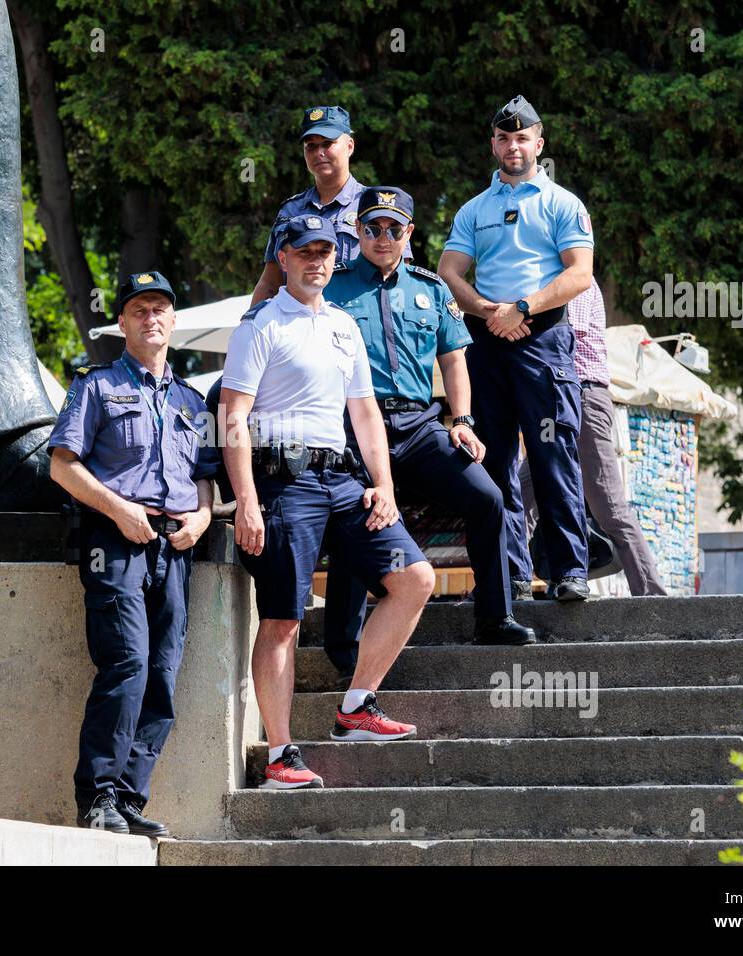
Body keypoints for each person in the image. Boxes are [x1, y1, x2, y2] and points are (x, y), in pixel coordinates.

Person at [221, 215, 436, 790]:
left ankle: (357, 705)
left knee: (415, 577)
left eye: (324, 250)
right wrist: (245, 500)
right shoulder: (261, 324)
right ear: (284, 257)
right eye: (304, 250)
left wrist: (384, 485)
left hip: (343, 481)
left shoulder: (343, 325)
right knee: (284, 620)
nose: (316, 259)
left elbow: (364, 412)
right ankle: (281, 755)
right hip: (283, 483)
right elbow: (233, 416)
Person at [321, 186, 536, 677]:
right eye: (373, 227)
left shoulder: (430, 289)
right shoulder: (329, 290)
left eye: (393, 228)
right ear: (358, 232)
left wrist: (461, 420)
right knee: (359, 515)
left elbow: (454, 360)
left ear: (408, 234)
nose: (383, 236)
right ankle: (343, 643)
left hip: (419, 426)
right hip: (355, 428)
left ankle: (494, 616)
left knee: (488, 497)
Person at [47, 270, 217, 836]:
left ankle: (127, 800)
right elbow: (62, 464)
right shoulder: (95, 386)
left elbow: (205, 478)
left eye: (160, 309)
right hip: (115, 542)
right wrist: (119, 509)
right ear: (122, 322)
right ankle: (96, 798)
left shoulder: (193, 401)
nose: (151, 318)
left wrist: (200, 515)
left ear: (171, 321)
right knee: (127, 664)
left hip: (175, 545)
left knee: (164, 674)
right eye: (139, 310)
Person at [437, 94, 594, 603]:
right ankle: (513, 579)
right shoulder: (473, 210)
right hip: (487, 340)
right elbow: (449, 272)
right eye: (504, 138)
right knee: (494, 464)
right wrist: (488, 312)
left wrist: (522, 308)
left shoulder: (562, 203)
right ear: (494, 145)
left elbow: (580, 274)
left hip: (542, 339)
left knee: (553, 457)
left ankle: (571, 571)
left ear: (538, 143)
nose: (513, 146)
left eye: (522, 137)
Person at [519, 278, 668, 595]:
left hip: (584, 395)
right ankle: (509, 585)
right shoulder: (543, 280)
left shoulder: (577, 281)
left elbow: (564, 332)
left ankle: (653, 596)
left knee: (608, 505)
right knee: (519, 496)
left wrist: (514, 321)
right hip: (553, 399)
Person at [250, 106, 408, 305]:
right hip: (300, 325)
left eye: (327, 143)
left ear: (350, 146)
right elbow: (270, 283)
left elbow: (398, 280)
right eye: (311, 146)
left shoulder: (377, 207)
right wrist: (249, 327)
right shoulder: (291, 210)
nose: (319, 153)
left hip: (358, 323)